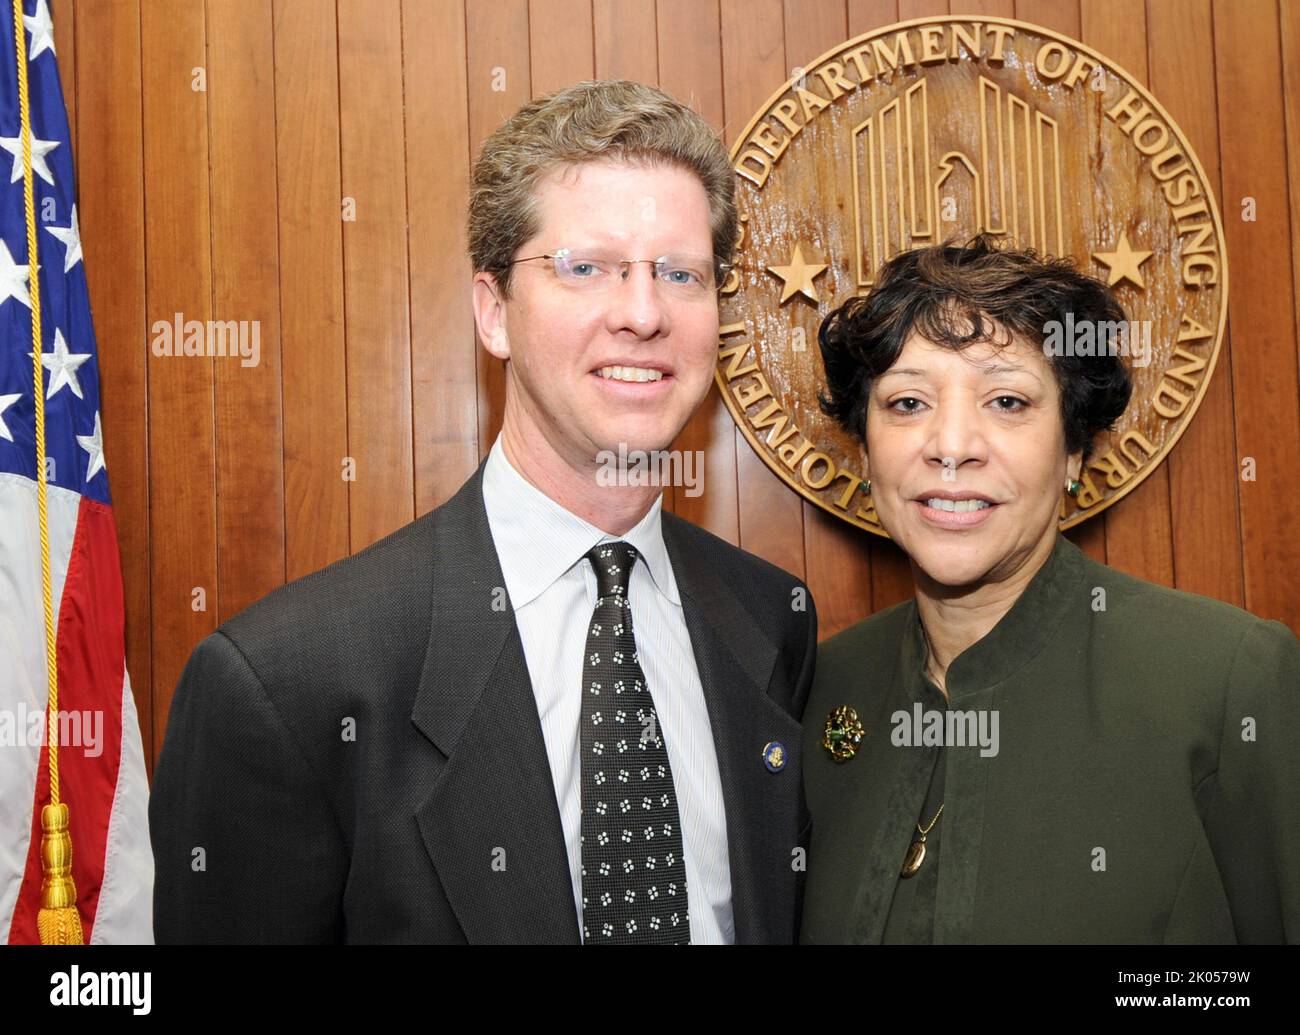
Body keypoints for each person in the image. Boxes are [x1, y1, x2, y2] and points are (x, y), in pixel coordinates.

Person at [149, 79, 817, 944]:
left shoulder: (771, 621)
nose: (643, 313)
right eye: (588, 268)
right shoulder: (285, 683)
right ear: (493, 311)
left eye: (680, 274)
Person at [800, 234, 1299, 944]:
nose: (951, 443)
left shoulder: (1224, 680)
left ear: (1074, 449)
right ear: (863, 449)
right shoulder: (823, 687)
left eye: (1006, 400)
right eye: (907, 402)